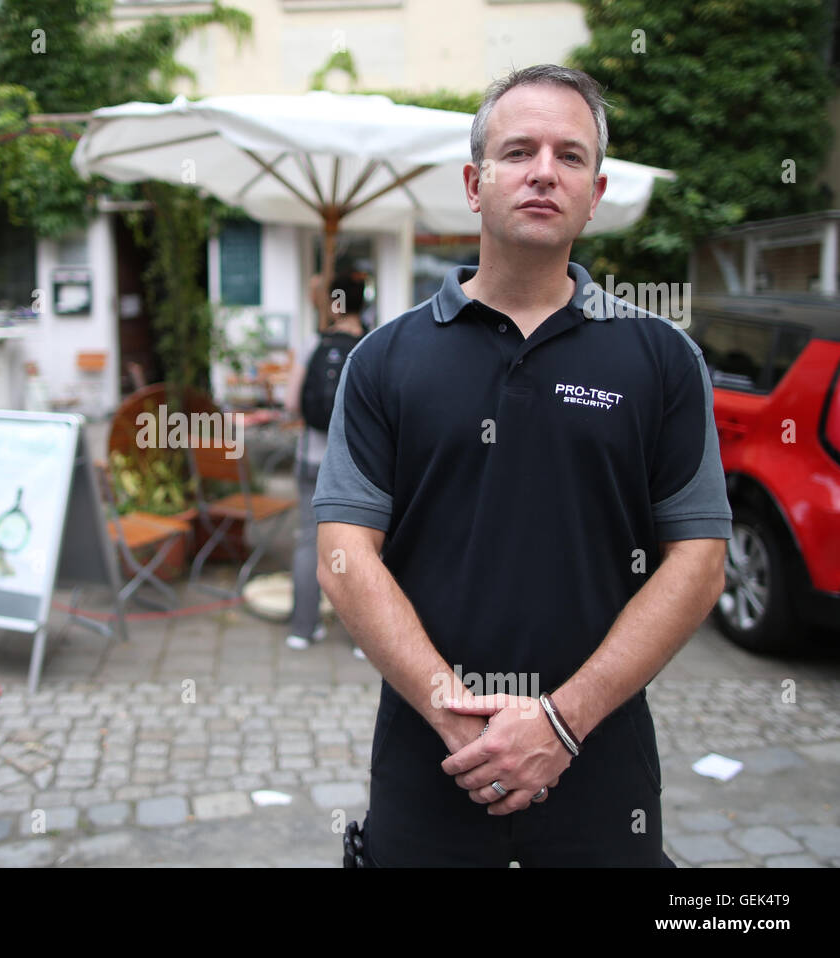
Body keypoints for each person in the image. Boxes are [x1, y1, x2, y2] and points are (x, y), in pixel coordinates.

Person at [313, 64, 730, 866]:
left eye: (570, 156)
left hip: (602, 774)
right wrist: (456, 717)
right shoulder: (384, 362)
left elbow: (700, 563)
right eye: (519, 151)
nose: (544, 171)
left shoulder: (663, 360)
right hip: (432, 767)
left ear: (595, 192)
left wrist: (561, 723)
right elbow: (343, 558)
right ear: (476, 183)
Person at [284, 271, 366, 656]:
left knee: (307, 542)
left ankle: (302, 629)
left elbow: (290, 403)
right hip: (359, 466)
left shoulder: (311, 343)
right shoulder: (373, 345)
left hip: (312, 458)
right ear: (362, 303)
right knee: (362, 549)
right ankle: (362, 640)